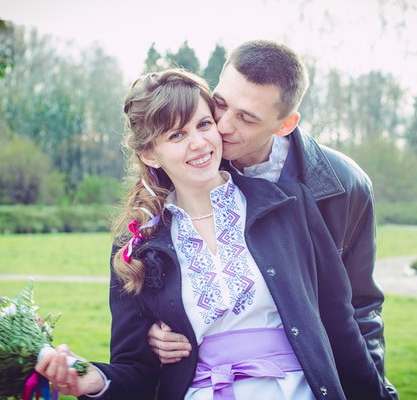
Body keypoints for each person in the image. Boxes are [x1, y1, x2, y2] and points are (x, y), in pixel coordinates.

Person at [35, 69, 392, 400]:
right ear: (150, 154)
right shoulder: (137, 248)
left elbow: (340, 325)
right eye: (177, 135)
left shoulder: (288, 206)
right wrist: (93, 379)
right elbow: (137, 372)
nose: (199, 143)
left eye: (204, 124)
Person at [147, 40, 398, 398]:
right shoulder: (190, 163)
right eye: (221, 104)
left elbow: (360, 306)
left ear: (285, 124)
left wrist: (375, 390)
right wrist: (154, 330)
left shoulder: (344, 185)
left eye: (247, 118)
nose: (222, 126)